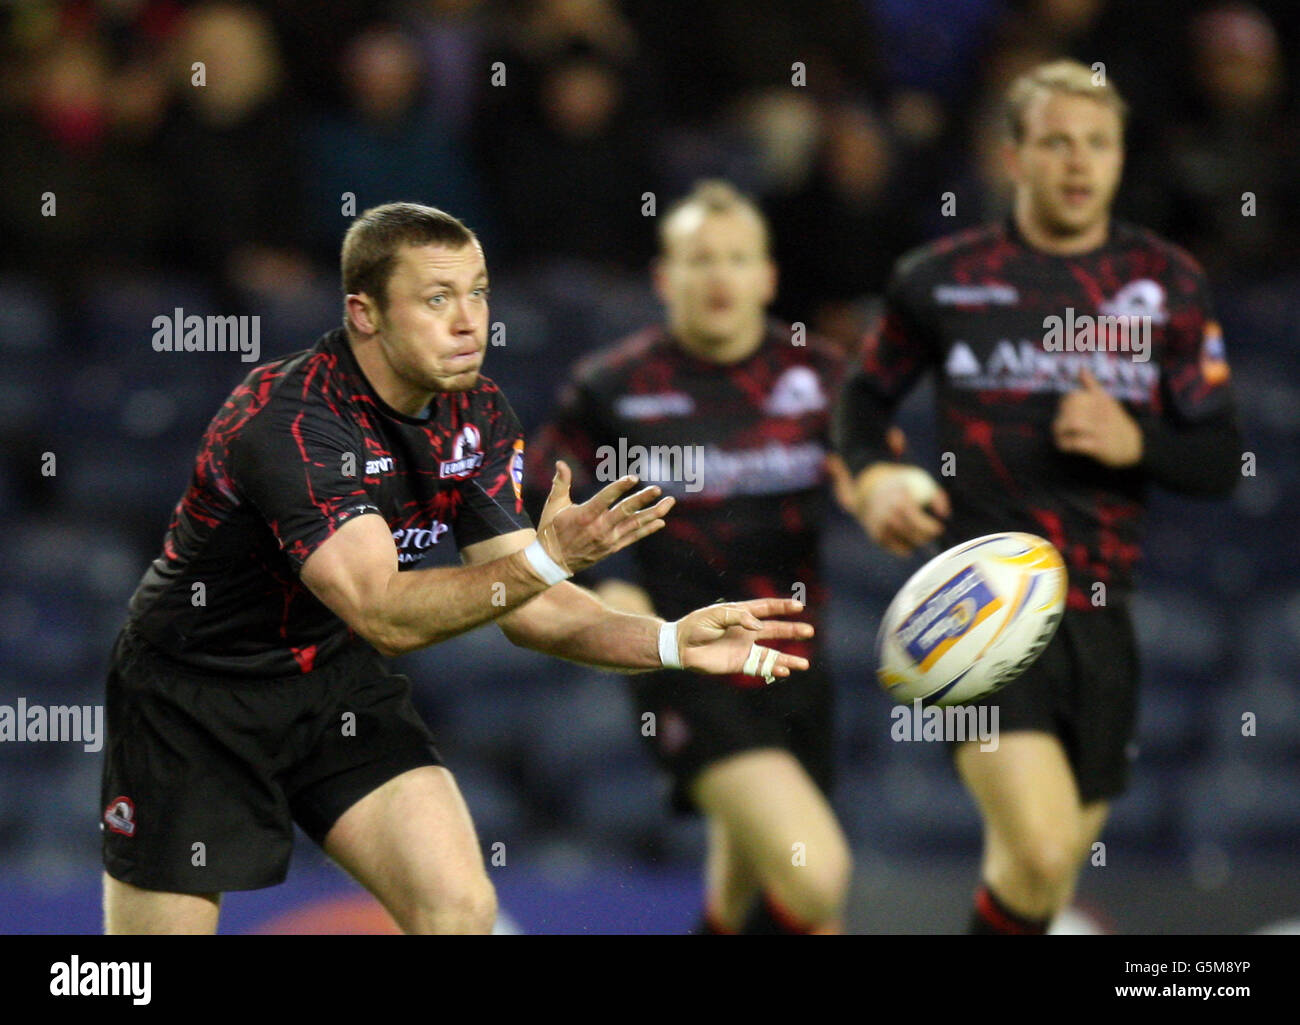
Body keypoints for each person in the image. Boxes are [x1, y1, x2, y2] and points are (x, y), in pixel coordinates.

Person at [100, 201, 813, 935]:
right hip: (195, 697)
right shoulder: (289, 420)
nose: (470, 319)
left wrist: (668, 641)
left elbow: (531, 607)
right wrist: (548, 557)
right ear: (364, 312)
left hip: (332, 679)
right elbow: (382, 611)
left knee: (462, 912)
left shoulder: (475, 412)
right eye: (437, 298)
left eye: (477, 292)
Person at [830, 60, 1241, 935]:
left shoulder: (1166, 283)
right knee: (1047, 849)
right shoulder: (941, 278)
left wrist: (1141, 443)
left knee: (1034, 880)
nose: (1077, 161)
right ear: (1013, 154)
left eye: (1098, 142)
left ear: (1123, 157)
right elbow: (859, 406)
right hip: (980, 606)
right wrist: (872, 479)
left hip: (1104, 615)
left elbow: (1219, 457)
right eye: (1055, 141)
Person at [528, 181, 852, 934]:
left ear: (767, 277)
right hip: (691, 663)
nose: (719, 276)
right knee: (818, 877)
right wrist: (611, 589)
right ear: (665, 278)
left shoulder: (823, 377)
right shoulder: (611, 387)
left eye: (737, 258)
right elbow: (544, 509)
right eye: (699, 259)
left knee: (748, 892)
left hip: (801, 665)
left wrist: (887, 492)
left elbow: (877, 475)